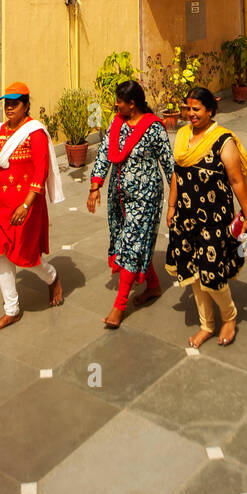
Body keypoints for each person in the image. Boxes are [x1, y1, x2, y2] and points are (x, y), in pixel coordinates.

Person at [166, 87, 247, 348]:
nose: (191, 114)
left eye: (197, 109)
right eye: (188, 108)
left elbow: (236, 180)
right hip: (186, 217)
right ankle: (206, 325)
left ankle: (229, 316)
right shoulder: (183, 136)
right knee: (193, 274)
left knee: (211, 273)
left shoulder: (223, 140)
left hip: (213, 219)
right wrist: (172, 205)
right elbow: (177, 172)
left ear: (210, 111)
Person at [87, 79, 174, 329]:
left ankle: (119, 306)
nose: (116, 105)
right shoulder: (117, 123)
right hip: (119, 196)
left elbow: (169, 165)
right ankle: (154, 286)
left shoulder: (154, 128)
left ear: (132, 104)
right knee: (127, 239)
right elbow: (105, 153)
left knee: (132, 244)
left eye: (120, 102)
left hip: (146, 198)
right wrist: (95, 186)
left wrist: (175, 202)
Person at [0, 81, 64, 332]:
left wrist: (27, 204)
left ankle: (52, 277)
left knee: (26, 256)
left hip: (24, 204)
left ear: (26, 105)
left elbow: (40, 171)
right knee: (1, 252)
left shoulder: (35, 132)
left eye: (15, 104)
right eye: (7, 104)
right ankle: (12, 310)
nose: (9, 108)